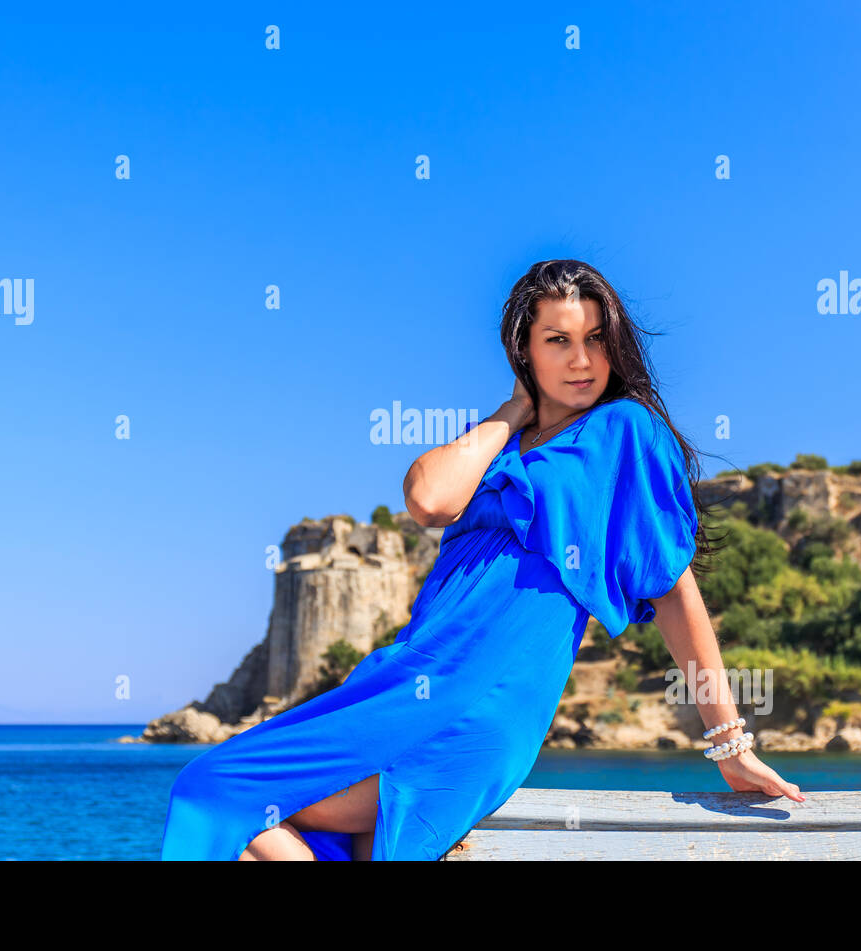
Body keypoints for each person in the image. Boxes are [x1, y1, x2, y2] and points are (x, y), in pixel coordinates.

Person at [159, 259, 803, 862]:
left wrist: (730, 744)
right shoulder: (496, 448)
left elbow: (674, 592)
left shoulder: (625, 432)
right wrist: (514, 409)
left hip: (478, 698)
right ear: (523, 349)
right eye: (557, 340)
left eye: (597, 339)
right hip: (398, 678)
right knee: (265, 833)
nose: (582, 361)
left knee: (211, 790)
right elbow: (429, 498)